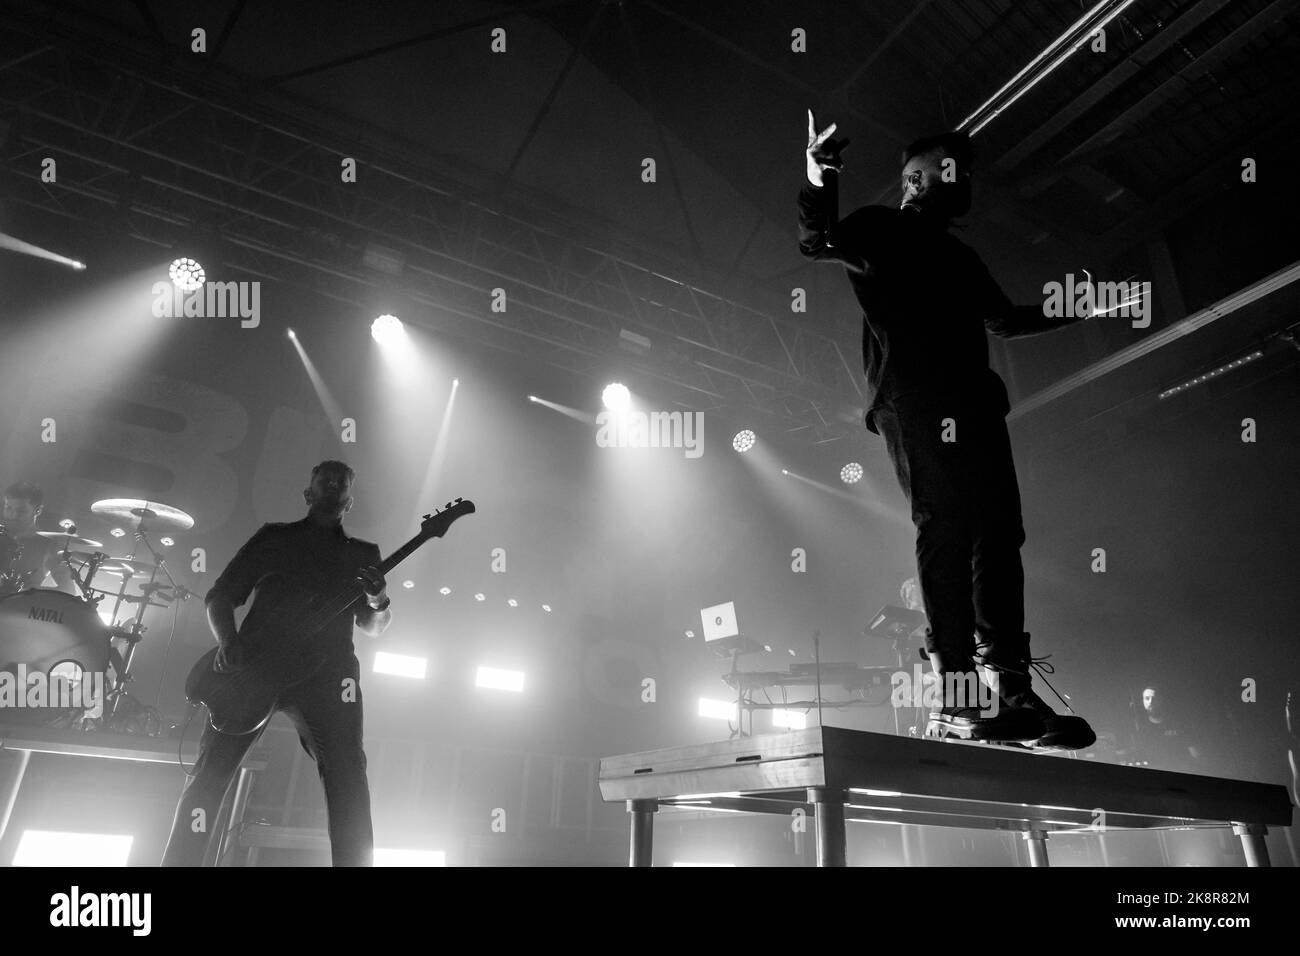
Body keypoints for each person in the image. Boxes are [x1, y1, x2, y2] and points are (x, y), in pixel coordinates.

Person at [799, 111, 1093, 748]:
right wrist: (819, 178)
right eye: (949, 170)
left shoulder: (961, 255)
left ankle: (1013, 689)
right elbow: (818, 240)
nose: (963, 181)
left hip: (976, 400)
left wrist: (1074, 307)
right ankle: (957, 690)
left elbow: (1005, 320)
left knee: (1000, 534)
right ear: (913, 181)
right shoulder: (880, 230)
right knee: (947, 525)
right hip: (916, 398)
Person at [161, 461, 391, 866]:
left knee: (349, 777)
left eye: (342, 482)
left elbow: (373, 626)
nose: (334, 484)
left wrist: (377, 599)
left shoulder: (363, 554)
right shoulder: (274, 538)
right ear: (308, 493)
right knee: (210, 774)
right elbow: (220, 596)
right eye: (326, 479)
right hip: (254, 669)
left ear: (349, 501)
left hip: (329, 676)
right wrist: (227, 641)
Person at [1, 481, 75, 595]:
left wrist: (33, 592)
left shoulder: (49, 545)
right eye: (8, 508)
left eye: (21, 511)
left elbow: (68, 590)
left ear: (38, 510)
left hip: (18, 608)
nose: (13, 515)